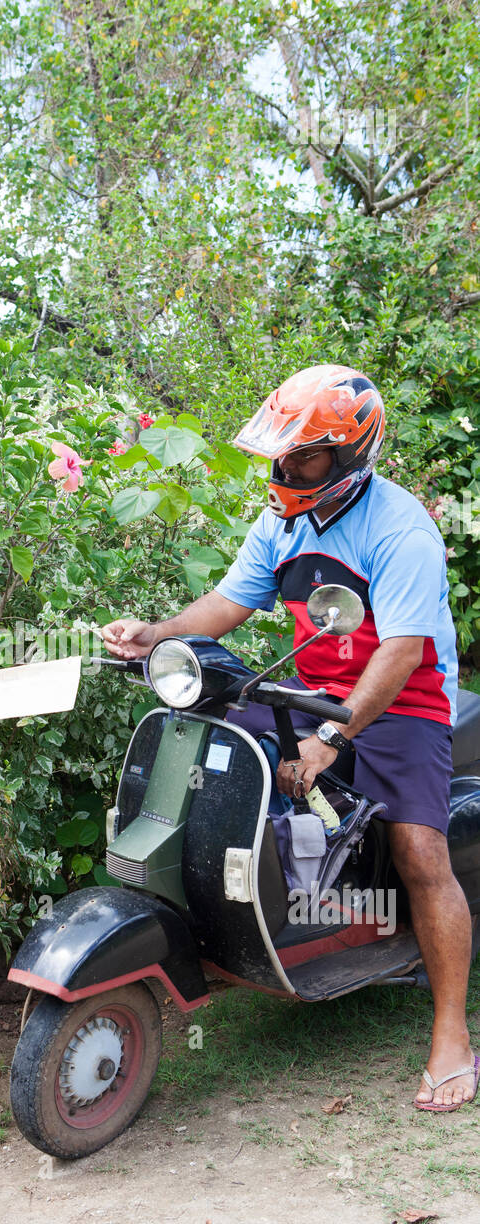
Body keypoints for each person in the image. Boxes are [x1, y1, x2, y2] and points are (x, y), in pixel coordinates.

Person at [103, 365, 478, 1112]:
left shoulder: (400, 529)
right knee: (216, 762)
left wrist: (333, 737)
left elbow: (401, 652)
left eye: (302, 456)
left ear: (348, 456)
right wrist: (156, 634)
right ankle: (282, 926)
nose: (285, 470)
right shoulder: (281, 520)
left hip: (405, 701)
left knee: (419, 850)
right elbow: (228, 600)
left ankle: (450, 1034)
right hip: (314, 694)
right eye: (280, 455)